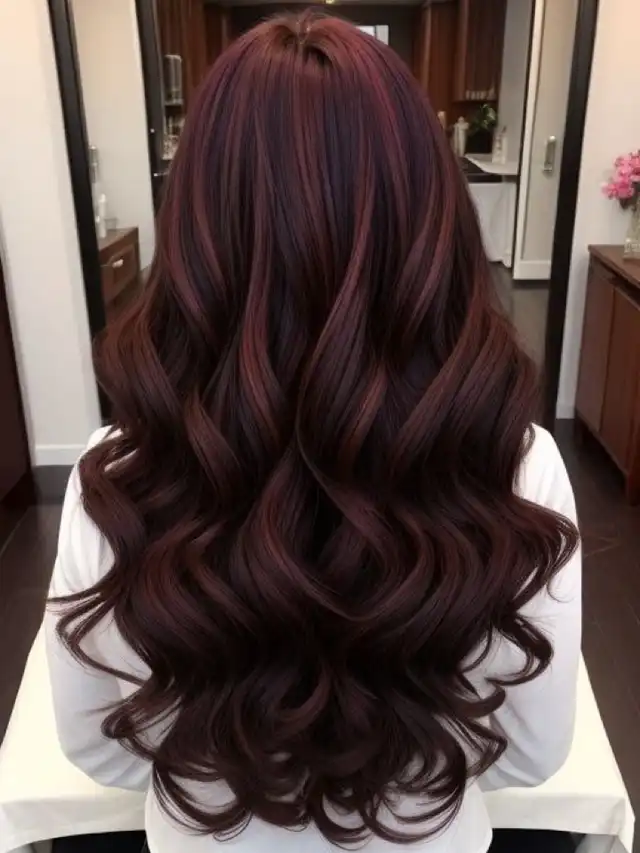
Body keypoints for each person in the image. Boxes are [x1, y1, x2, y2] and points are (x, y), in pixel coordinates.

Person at [46, 13, 581, 853]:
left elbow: (97, 750)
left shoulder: (118, 474)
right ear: (431, 218)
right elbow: (533, 754)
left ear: (195, 224)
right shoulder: (517, 465)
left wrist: (241, 794)